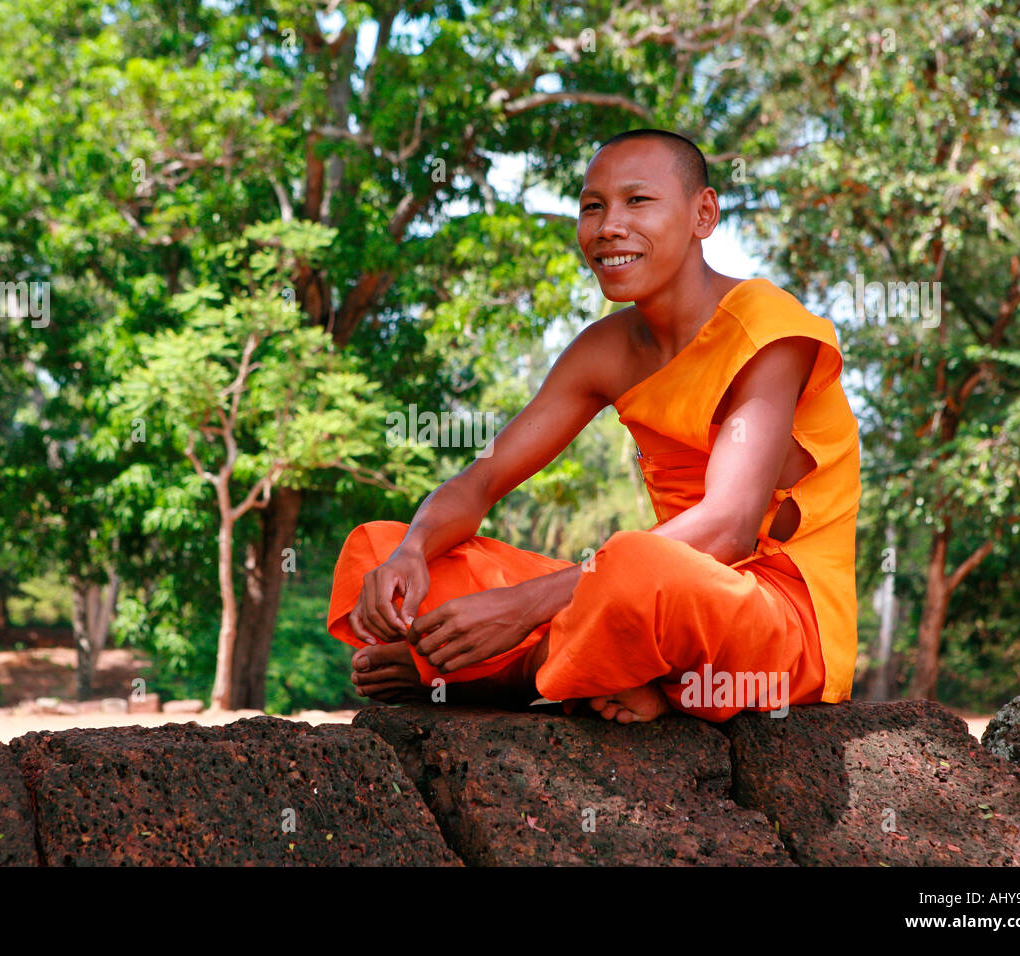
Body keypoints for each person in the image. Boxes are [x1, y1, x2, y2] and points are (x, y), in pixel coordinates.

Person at [325, 128, 861, 723]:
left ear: (703, 213)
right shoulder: (604, 351)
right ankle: (592, 668)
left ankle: (514, 674)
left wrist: (523, 606)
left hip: (766, 616)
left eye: (638, 201)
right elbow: (481, 480)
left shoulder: (768, 328)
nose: (609, 226)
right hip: (644, 597)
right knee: (375, 552)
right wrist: (412, 551)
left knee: (632, 567)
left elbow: (730, 530)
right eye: (592, 206)